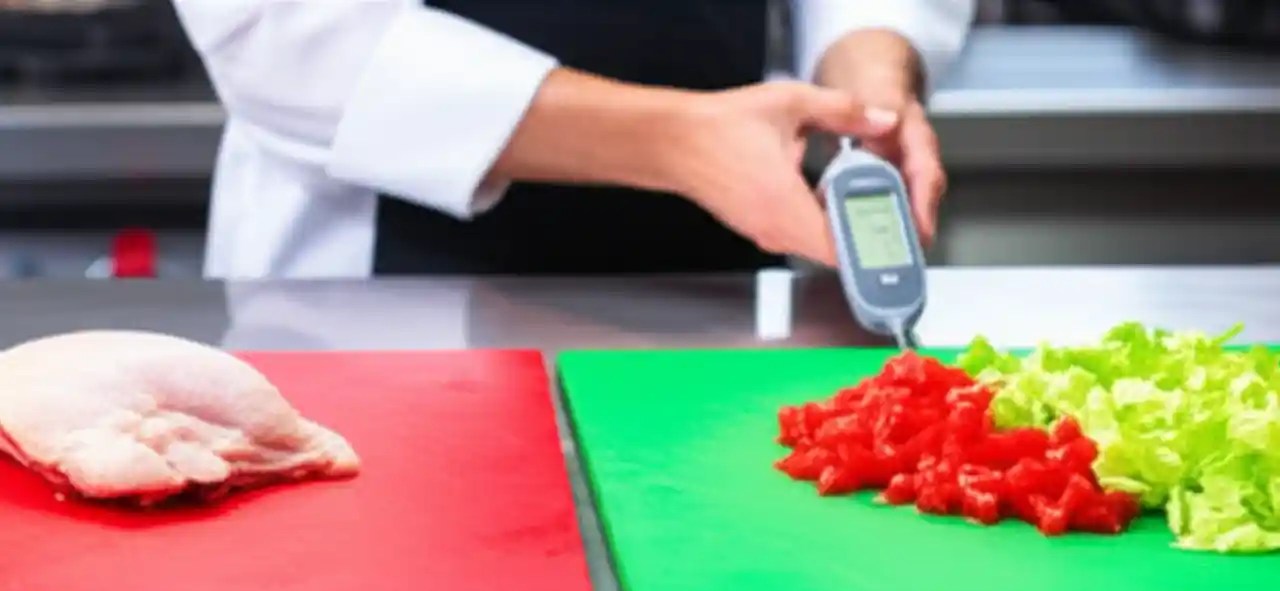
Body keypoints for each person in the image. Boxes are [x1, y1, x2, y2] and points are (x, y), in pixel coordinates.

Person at [173, 1, 975, 278]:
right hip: (376, 295)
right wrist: (678, 143)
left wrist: (871, 68)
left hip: (723, 285)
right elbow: (282, 35)